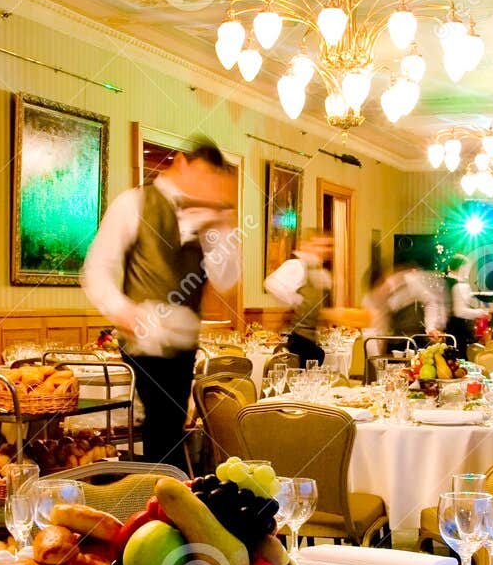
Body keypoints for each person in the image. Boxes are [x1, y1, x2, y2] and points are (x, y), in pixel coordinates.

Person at [81, 133, 239, 465]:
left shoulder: (209, 219)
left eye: (212, 182)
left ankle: (159, 499)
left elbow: (226, 278)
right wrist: (120, 309)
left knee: (167, 433)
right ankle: (160, 500)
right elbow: (98, 266)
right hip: (145, 341)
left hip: (183, 345)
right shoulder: (134, 203)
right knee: (163, 434)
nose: (204, 188)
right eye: (202, 177)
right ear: (181, 164)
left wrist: (220, 227)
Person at [264, 230, 332, 366]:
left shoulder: (321, 273)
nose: (325, 250)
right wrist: (295, 300)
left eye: (328, 246)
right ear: (306, 246)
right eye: (319, 245)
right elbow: (271, 283)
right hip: (299, 338)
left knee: (317, 356)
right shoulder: (297, 266)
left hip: (311, 339)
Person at [441, 252, 483, 359]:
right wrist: (480, 313)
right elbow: (460, 311)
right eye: (466, 267)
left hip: (448, 328)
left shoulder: (445, 282)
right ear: (461, 267)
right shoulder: (459, 285)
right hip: (458, 330)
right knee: (460, 360)